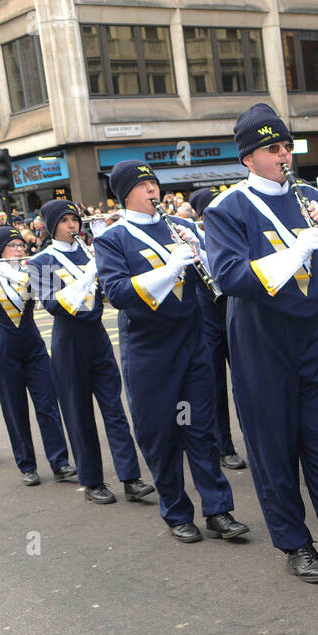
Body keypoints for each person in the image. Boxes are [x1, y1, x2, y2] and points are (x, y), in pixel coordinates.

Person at [203, 103, 318, 582]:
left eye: (285, 145)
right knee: (274, 448)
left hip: (312, 333)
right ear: (248, 157)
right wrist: (298, 247)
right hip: (261, 342)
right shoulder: (227, 209)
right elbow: (231, 278)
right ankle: (296, 544)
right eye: (272, 148)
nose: (284, 155)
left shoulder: (305, 196)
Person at [93, 160, 249, 544]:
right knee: (160, 433)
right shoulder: (112, 239)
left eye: (154, 183)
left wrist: (198, 251)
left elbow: (216, 274)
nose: (153, 191)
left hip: (191, 340)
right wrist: (169, 268)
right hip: (149, 350)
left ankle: (218, 509)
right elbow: (118, 293)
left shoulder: (177, 228)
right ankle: (177, 511)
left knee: (200, 429)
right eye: (143, 185)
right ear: (125, 192)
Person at [26, 199, 152, 506]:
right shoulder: (39, 261)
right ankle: (92, 480)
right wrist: (87, 275)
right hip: (69, 340)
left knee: (114, 409)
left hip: (97, 336)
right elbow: (52, 304)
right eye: (66, 221)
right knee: (78, 412)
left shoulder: (88, 252)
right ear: (51, 225)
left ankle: (130, 477)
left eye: (75, 220)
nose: (73, 226)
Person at [0, 225, 76, 487]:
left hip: (34, 349)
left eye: (21, 245)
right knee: (15, 411)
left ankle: (60, 462)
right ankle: (27, 466)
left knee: (48, 406)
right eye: (13, 246)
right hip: (4, 352)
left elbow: (28, 287)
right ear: (0, 250)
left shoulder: (30, 273)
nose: (20, 250)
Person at [186, 187, 246, 472]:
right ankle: (224, 446)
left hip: (235, 315)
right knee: (215, 388)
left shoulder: (232, 232)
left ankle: (255, 439)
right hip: (207, 319)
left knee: (247, 382)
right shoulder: (192, 239)